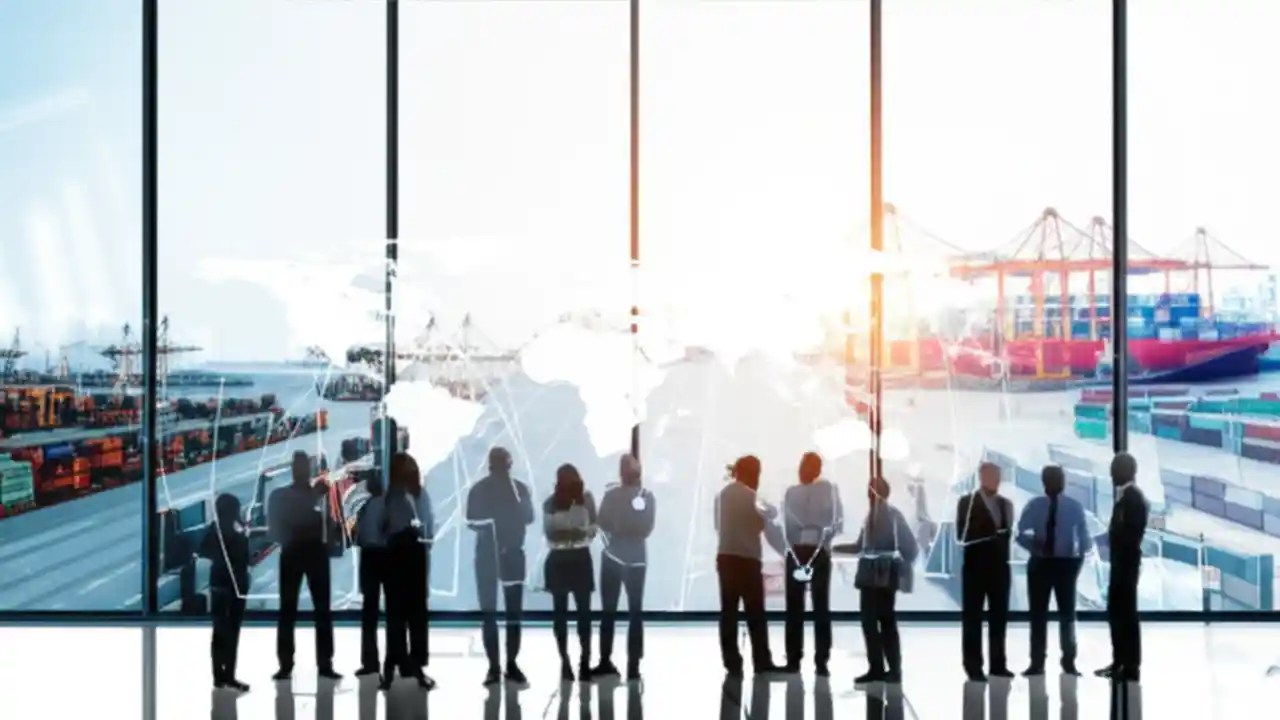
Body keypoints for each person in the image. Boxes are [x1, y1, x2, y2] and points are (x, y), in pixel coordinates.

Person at [834, 476, 918, 684]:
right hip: (877, 577)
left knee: (877, 623)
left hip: (878, 578)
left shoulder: (890, 515)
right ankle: (885, 668)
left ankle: (884, 668)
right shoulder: (878, 515)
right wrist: (835, 548)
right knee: (879, 623)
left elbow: (909, 547)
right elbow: (860, 546)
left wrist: (895, 566)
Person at [268, 451, 341, 681]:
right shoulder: (318, 494)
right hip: (315, 553)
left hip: (291, 552)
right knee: (322, 610)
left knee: (287, 611)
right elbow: (330, 525)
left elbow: (274, 531)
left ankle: (285, 665)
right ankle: (325, 664)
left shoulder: (280, 496)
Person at [467, 446, 536, 686]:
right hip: (495, 555)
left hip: (506, 555)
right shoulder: (484, 489)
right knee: (498, 614)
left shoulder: (516, 489)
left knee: (503, 614)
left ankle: (503, 666)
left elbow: (529, 517)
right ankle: (500, 666)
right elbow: (472, 519)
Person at [1016, 464, 1093, 677]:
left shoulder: (1073, 507)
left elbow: (1084, 540)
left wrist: (1077, 562)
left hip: (1064, 565)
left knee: (1066, 615)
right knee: (1040, 615)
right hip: (1041, 564)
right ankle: (1038, 662)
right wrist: (1035, 547)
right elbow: (1020, 532)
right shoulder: (1035, 506)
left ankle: (1068, 662)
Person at [714, 455, 784, 677]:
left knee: (729, 612)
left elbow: (718, 526)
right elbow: (761, 524)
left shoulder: (722, 495)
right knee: (755, 612)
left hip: (726, 556)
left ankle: (732, 662)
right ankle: (762, 661)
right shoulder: (752, 497)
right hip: (747, 559)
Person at [592, 454, 655, 681]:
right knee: (635, 612)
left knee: (608, 612)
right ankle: (634, 665)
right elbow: (647, 528)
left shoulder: (611, 495)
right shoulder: (647, 496)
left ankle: (605, 661)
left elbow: (601, 522)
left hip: (613, 557)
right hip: (638, 560)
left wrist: (616, 533)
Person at [780, 452, 843, 677]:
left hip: (796, 550)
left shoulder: (791, 492)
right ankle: (821, 661)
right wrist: (824, 541)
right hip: (820, 551)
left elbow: (786, 527)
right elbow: (837, 522)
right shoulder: (829, 490)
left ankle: (793, 659)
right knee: (821, 607)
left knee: (794, 608)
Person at [199, 493, 264, 692]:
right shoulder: (235, 532)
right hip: (235, 586)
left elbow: (204, 550)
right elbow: (245, 558)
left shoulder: (214, 530)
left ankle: (219, 676)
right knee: (232, 632)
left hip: (219, 585)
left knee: (219, 631)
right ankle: (229, 676)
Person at [957, 461, 1014, 682]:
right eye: (992, 476)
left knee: (999, 618)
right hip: (975, 568)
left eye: (998, 477)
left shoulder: (1005, 504)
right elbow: (962, 535)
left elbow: (1008, 533)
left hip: (1000, 568)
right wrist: (990, 534)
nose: (997, 481)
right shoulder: (967, 502)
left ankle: (998, 664)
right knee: (973, 618)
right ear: (982, 477)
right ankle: (973, 666)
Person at [382, 452, 435, 690]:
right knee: (406, 613)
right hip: (407, 553)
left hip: (407, 553)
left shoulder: (403, 496)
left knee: (408, 613)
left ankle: (409, 664)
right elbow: (427, 525)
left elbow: (427, 524)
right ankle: (402, 663)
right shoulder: (400, 497)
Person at [542, 463, 598, 681]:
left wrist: (569, 532)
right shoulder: (551, 502)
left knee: (583, 614)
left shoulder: (586, 499)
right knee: (561, 614)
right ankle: (565, 661)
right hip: (562, 560)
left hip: (577, 559)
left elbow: (593, 529)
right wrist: (576, 532)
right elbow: (550, 535)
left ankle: (584, 662)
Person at [1096, 452, 1148, 682]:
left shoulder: (1132, 498)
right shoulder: (1126, 497)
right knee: (1118, 613)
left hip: (1126, 564)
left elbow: (1130, 534)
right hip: (1121, 563)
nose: (1111, 474)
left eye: (1114, 469)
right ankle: (1120, 662)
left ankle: (1129, 665)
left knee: (1125, 614)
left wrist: (1114, 540)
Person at [353, 471, 388, 678]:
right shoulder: (386, 505)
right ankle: (386, 661)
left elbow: (358, 535)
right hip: (382, 556)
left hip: (372, 556)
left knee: (370, 612)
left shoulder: (366, 507)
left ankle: (371, 662)